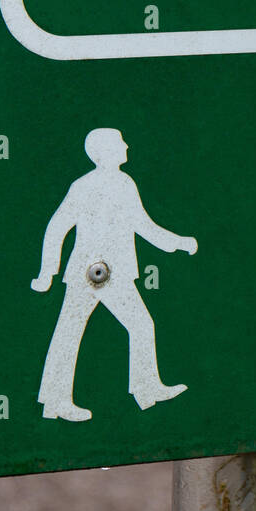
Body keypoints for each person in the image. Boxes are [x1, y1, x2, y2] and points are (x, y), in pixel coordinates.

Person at [31, 128, 197, 422]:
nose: (126, 146)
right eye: (120, 142)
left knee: (138, 325)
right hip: (87, 272)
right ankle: (57, 402)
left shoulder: (125, 183)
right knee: (71, 333)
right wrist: (47, 272)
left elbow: (143, 225)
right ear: (105, 151)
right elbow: (57, 226)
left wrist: (178, 243)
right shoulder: (83, 186)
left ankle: (146, 389)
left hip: (116, 273)